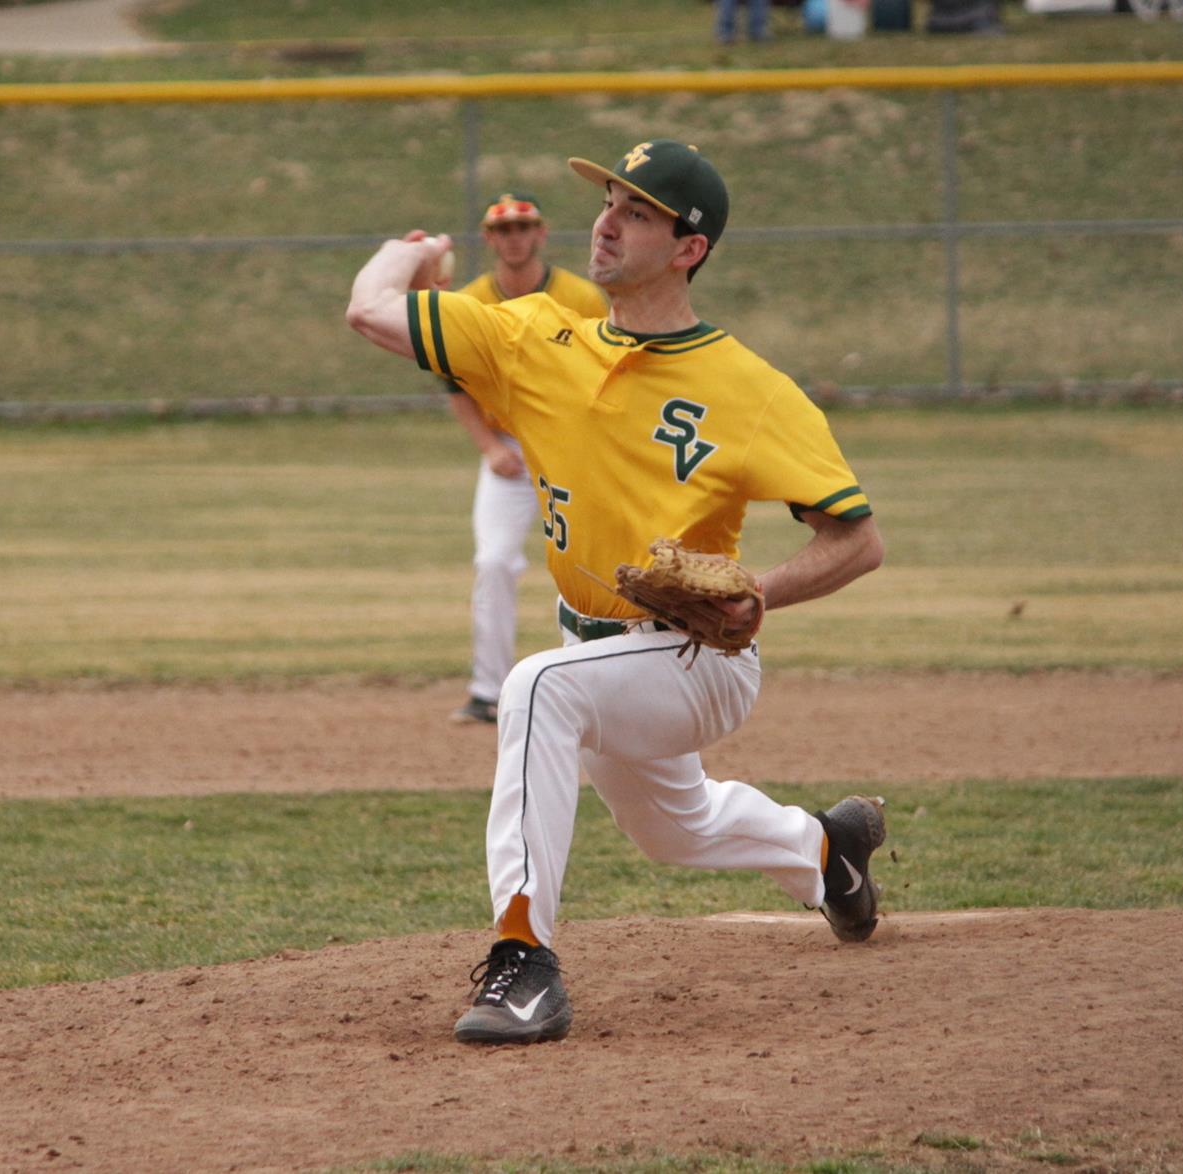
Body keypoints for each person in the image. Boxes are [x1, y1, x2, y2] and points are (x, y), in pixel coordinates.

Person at [346, 139, 887, 1046]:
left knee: (534, 689)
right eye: (608, 203)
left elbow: (857, 541)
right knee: (677, 829)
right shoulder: (532, 339)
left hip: (697, 658)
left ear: (689, 248)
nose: (606, 223)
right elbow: (369, 309)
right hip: (595, 649)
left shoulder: (751, 390)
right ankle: (830, 852)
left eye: (637, 212)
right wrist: (412, 252)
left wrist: (758, 592)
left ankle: (524, 962)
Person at [446, 193, 608, 727]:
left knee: (590, 565)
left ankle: (600, 683)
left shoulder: (580, 297)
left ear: (541, 233)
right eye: (503, 229)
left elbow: (606, 374)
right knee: (493, 562)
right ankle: (487, 692)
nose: (513, 237)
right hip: (509, 454)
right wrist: (489, 448)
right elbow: (455, 384)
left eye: (523, 226)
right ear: (489, 238)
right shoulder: (471, 302)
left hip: (569, 448)